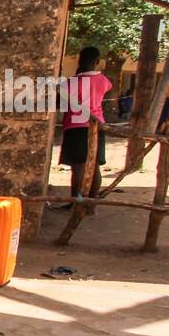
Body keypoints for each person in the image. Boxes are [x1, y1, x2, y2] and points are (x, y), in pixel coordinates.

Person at [55, 46, 113, 212]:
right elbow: (104, 95)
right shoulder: (103, 81)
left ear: (79, 61)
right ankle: (90, 204)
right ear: (97, 62)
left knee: (78, 167)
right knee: (94, 166)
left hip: (76, 126)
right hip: (97, 126)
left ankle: (77, 202)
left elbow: (60, 103)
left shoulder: (71, 83)